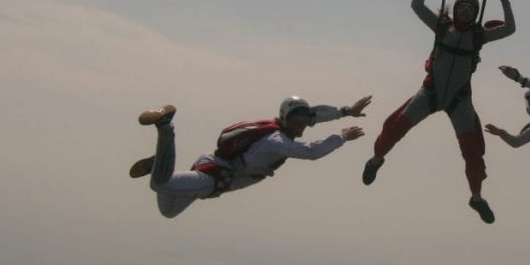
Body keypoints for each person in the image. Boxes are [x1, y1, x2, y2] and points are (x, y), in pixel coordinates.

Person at [362, 0, 515, 224]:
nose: (465, 11)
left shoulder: (480, 36)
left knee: (473, 152)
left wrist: (505, 0)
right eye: (462, 7)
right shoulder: (442, 27)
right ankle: (376, 160)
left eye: (471, 9)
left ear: (475, 14)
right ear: (455, 10)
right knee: (395, 127)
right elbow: (417, 6)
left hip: (459, 100)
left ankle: (476, 198)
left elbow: (510, 29)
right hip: (430, 92)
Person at [133, 94, 371, 218]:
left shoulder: (285, 127)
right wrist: (341, 137)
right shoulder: (276, 141)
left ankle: (159, 164)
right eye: (299, 120)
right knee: (160, 184)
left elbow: (315, 114)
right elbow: (310, 152)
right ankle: (165, 126)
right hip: (211, 177)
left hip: (216, 175)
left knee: (168, 211)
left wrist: (346, 111)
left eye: (305, 120)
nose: (304, 125)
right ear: (288, 120)